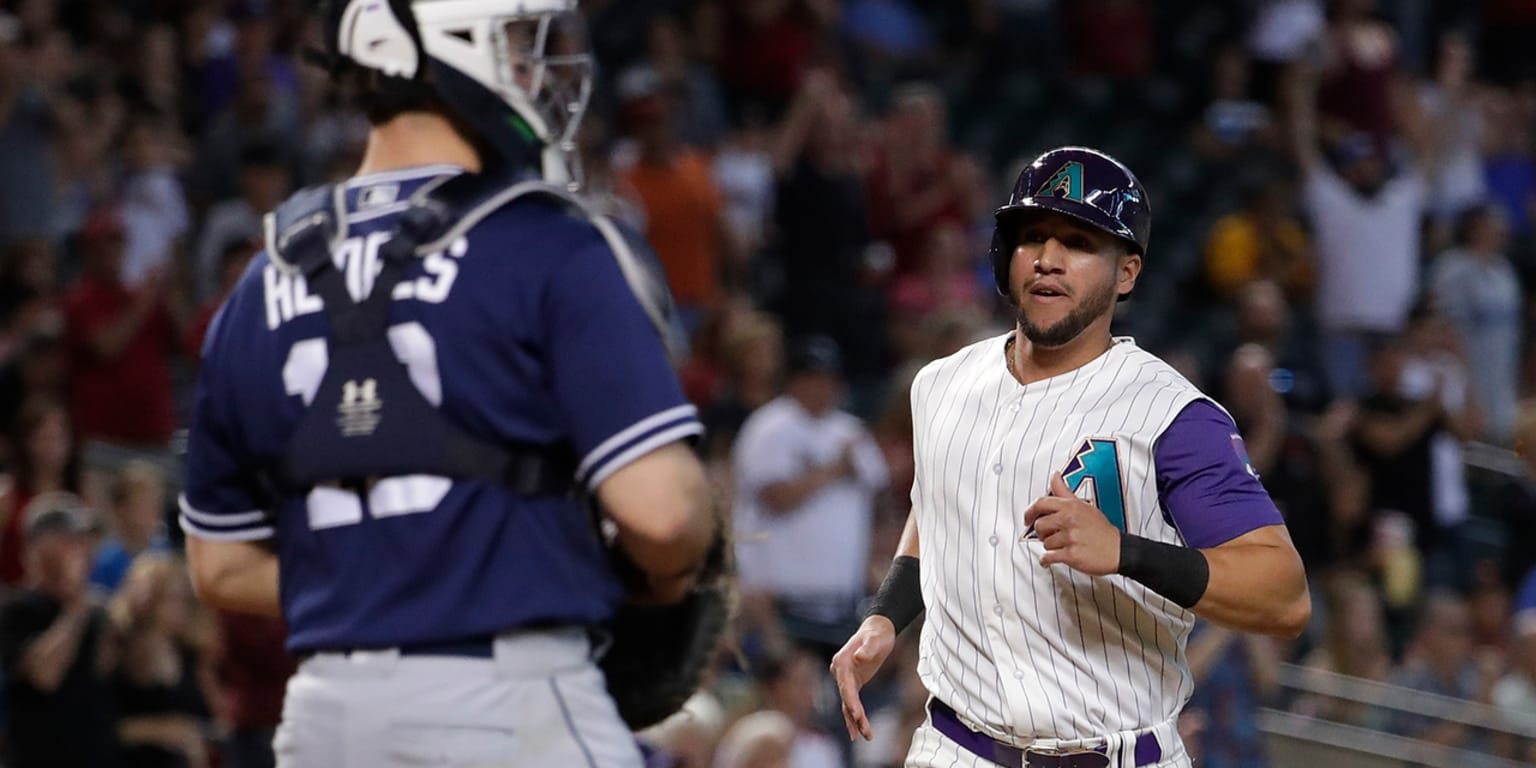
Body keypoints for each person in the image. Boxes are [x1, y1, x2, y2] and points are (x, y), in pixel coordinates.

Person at [177, 1, 717, 766]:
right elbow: (662, 517)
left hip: (326, 716)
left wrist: (394, 573)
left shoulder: (262, 279)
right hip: (509, 699)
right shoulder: (548, 242)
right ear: (436, 47)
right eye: (517, 43)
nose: (537, 71)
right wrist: (661, 557)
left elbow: (220, 565)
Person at [828, 146, 1310, 768]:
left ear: (1127, 273)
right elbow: (940, 508)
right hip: (954, 747)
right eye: (1033, 237)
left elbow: (1284, 595)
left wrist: (1125, 552)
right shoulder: (940, 383)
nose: (1049, 260)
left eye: (1079, 243)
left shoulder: (1173, 417)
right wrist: (887, 618)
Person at [0, 491, 117, 768]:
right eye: (70, 540)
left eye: (84, 540)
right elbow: (44, 677)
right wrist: (76, 607)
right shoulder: (16, 608)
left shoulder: (93, 611)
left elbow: (104, 676)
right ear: (37, 548)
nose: (83, 549)